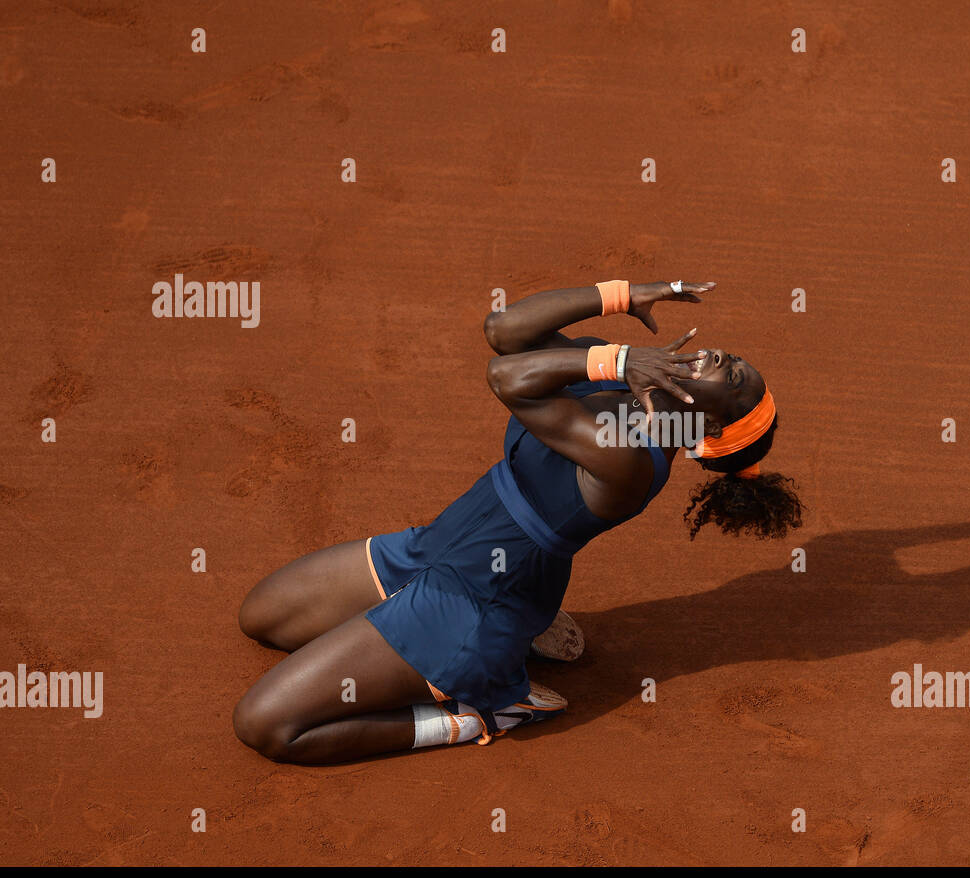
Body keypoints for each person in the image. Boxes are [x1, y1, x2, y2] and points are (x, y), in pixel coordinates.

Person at [233, 280, 802, 763]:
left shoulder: (630, 455)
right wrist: (620, 295)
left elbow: (507, 377)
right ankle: (530, 627)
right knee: (261, 617)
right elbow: (504, 330)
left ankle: (480, 712)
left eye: (732, 382)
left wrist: (622, 359)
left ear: (705, 428)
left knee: (265, 725)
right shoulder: (620, 381)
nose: (725, 361)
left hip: (470, 609)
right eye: (737, 362)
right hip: (439, 547)